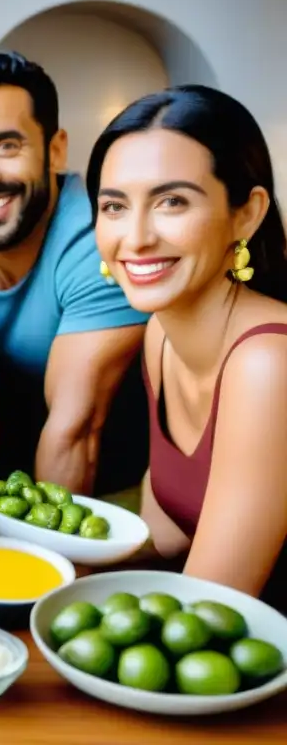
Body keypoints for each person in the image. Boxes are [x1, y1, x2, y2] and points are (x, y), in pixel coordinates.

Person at [0, 50, 149, 496]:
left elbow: (74, 434)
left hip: (102, 504)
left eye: (7, 146)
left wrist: (32, 539)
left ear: (55, 151)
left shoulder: (98, 242)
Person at [88, 84, 287, 610]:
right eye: (114, 206)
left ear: (247, 214)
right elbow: (167, 534)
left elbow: (208, 609)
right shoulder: (160, 333)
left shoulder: (270, 363)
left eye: (171, 202)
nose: (135, 238)